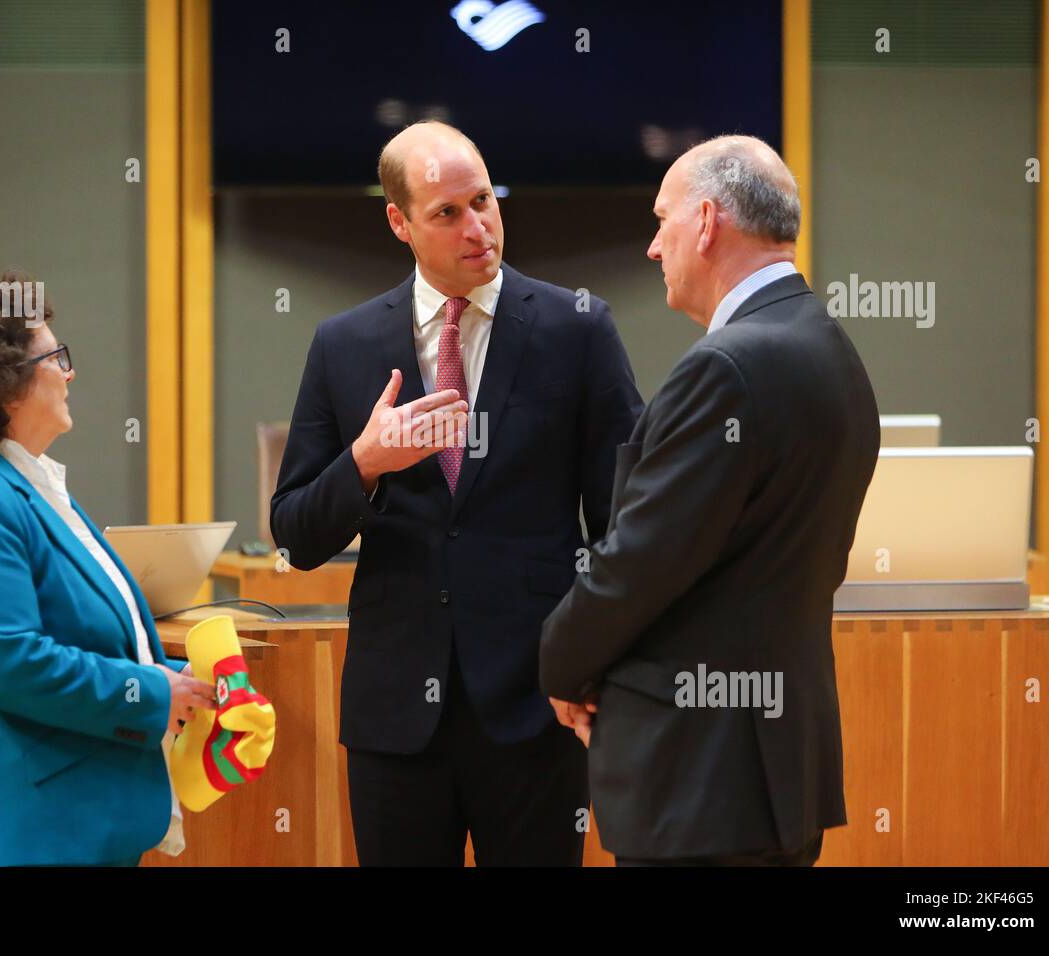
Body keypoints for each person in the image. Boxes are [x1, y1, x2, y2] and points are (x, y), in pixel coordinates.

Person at [271, 121, 642, 866]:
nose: (478, 227)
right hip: (395, 714)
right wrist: (365, 462)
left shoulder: (577, 329)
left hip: (539, 704)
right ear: (398, 222)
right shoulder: (341, 344)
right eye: (447, 213)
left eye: (484, 201)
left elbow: (625, 524)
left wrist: (599, 665)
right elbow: (294, 534)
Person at [540, 136, 880, 866]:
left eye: (662, 222)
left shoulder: (728, 366)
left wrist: (558, 664)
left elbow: (640, 563)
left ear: (704, 221)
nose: (653, 248)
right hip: (774, 769)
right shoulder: (834, 351)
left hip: (701, 778)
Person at [0, 270, 216, 866]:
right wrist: (151, 692)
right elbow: (13, 662)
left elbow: (80, 640)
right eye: (56, 356)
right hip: (3, 835)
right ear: (2, 380)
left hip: (59, 827)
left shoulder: (22, 484)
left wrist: (189, 680)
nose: (70, 372)